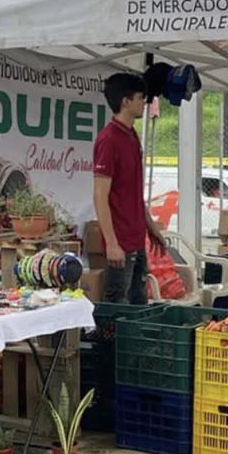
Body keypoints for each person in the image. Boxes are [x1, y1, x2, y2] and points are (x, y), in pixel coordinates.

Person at [93, 72, 167, 305]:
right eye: (140, 97)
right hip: (121, 242)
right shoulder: (109, 138)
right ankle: (110, 343)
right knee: (117, 304)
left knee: (138, 302)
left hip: (136, 238)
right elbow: (99, 195)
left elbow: (134, 191)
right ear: (125, 101)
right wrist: (112, 243)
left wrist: (151, 226)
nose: (144, 103)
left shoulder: (132, 135)